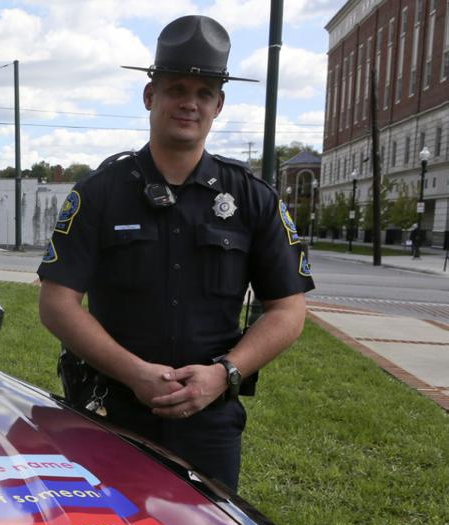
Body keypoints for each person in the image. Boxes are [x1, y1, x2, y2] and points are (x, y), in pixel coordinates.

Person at [37, 15, 313, 492]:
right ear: (150, 96)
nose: (190, 102)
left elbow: (288, 310)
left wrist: (224, 373)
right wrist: (136, 374)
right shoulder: (100, 193)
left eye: (204, 93)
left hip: (209, 420)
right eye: (176, 88)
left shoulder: (251, 198)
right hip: (110, 410)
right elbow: (56, 302)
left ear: (219, 105)